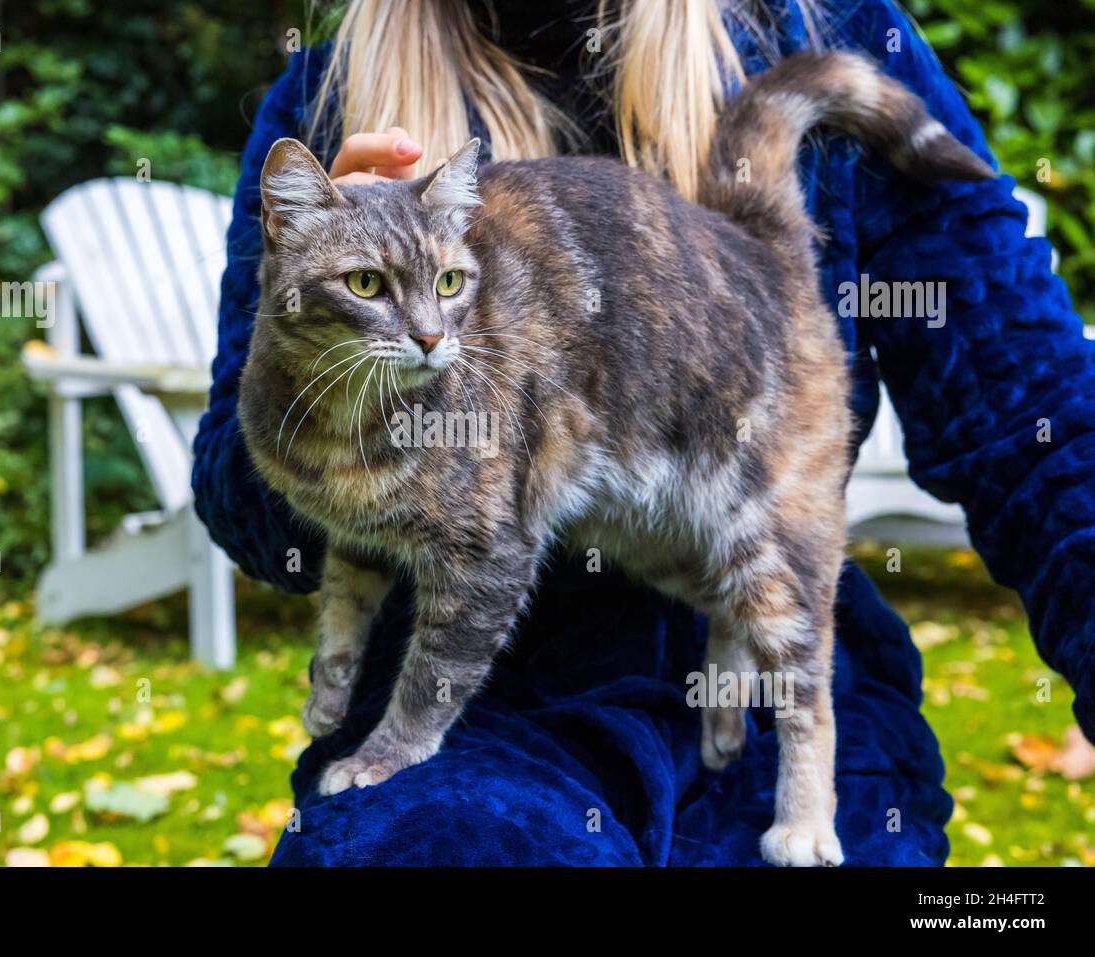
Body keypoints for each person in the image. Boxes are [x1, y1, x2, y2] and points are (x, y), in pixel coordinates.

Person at [191, 0, 1095, 865]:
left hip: (771, 662)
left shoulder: (820, 18)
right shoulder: (328, 86)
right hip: (477, 702)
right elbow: (243, 502)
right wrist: (317, 375)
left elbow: (1039, 423)